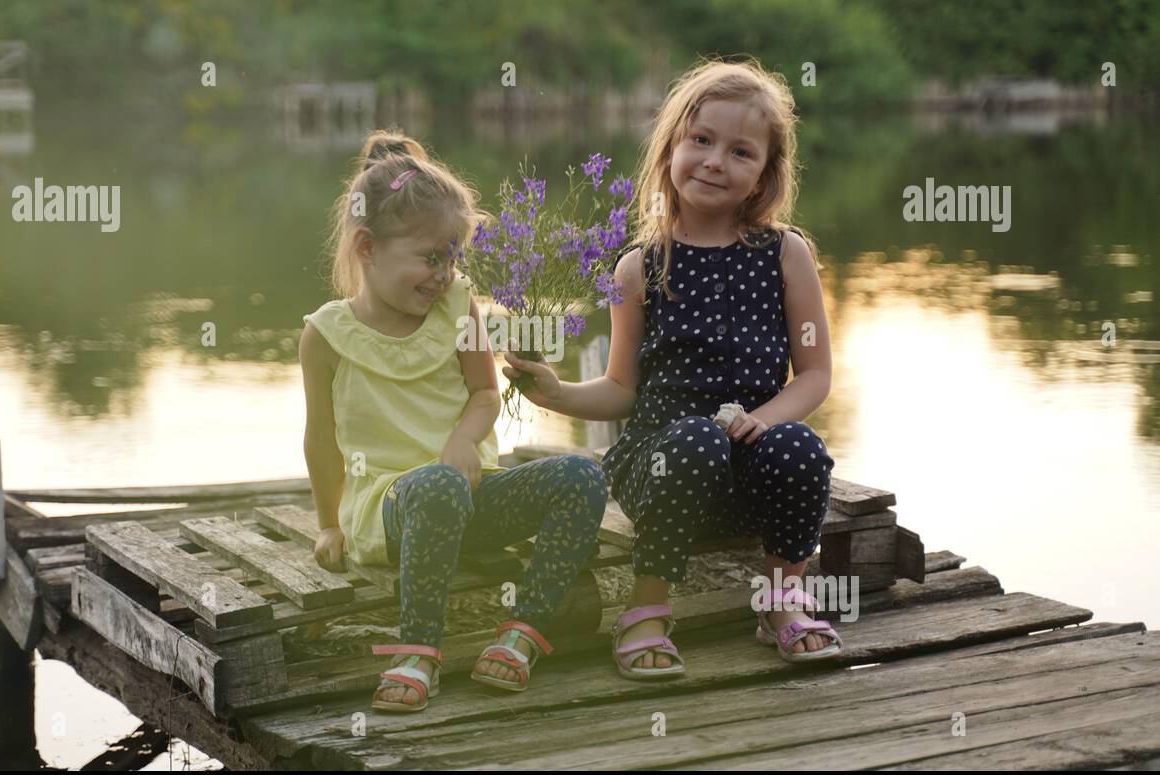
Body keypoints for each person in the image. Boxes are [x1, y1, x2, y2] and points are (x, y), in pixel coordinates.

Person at [504, 58, 842, 674]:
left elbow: (816, 375)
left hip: (748, 475)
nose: (715, 161)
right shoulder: (640, 267)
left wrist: (767, 420)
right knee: (691, 440)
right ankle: (648, 611)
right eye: (701, 140)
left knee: (799, 446)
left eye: (741, 152)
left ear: (765, 174)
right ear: (671, 149)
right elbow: (619, 389)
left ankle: (781, 600)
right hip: (661, 468)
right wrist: (554, 394)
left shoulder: (785, 254)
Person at [301, 129, 609, 712]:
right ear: (367, 248)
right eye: (428, 257)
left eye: (452, 256)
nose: (443, 272)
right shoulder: (326, 334)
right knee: (435, 486)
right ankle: (418, 652)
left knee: (581, 475)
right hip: (390, 508)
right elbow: (320, 440)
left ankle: (523, 635)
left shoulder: (457, 305)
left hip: (469, 494)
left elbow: (484, 394)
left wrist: (467, 438)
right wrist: (328, 524)